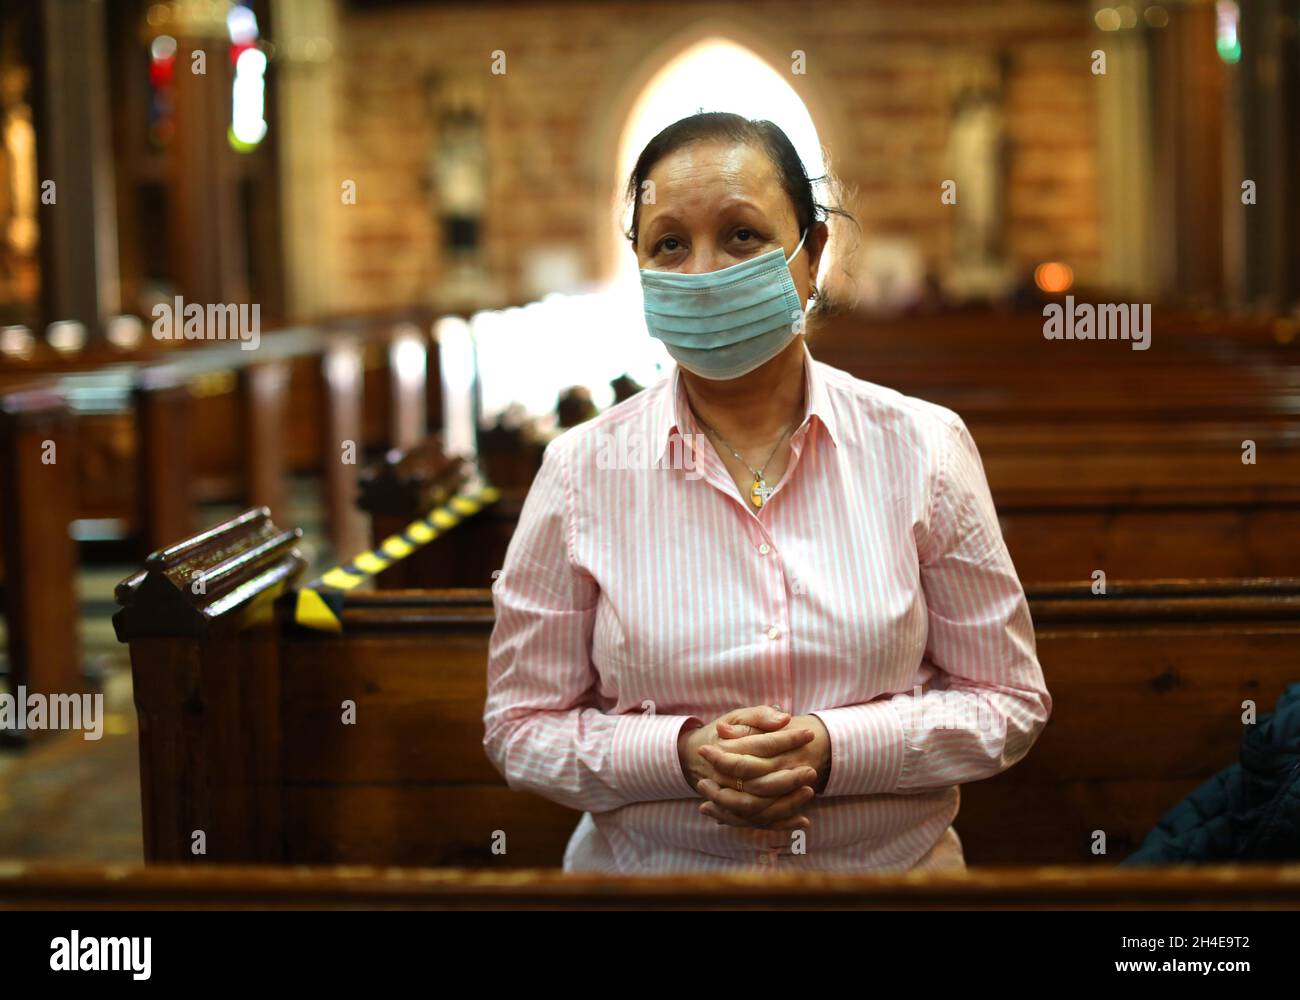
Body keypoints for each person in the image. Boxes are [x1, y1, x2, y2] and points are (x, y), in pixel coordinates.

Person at [483, 111, 1051, 873]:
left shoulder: (922, 448)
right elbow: (520, 725)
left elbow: (1007, 701)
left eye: (743, 236)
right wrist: (677, 755)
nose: (706, 272)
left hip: (886, 880)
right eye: (670, 245)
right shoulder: (580, 472)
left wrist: (838, 749)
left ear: (812, 255)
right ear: (641, 269)